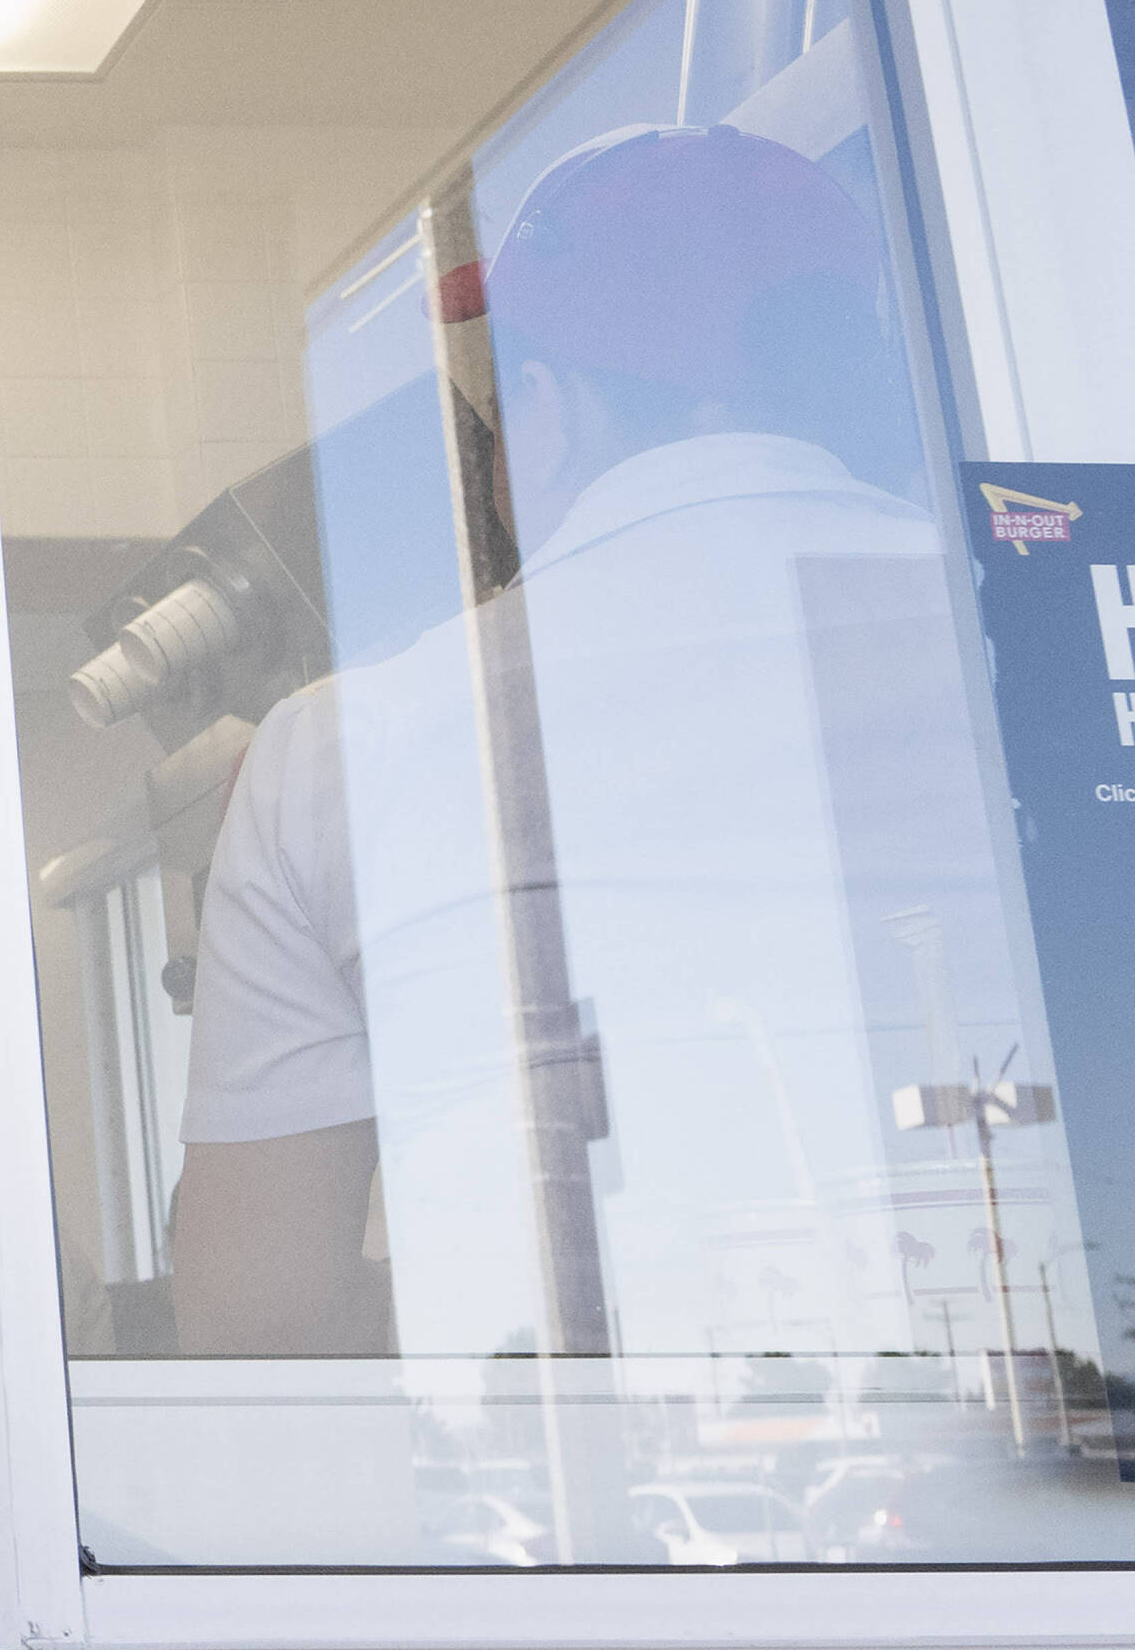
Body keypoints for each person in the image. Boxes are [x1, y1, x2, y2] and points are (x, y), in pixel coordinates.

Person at [169, 125, 1015, 1396]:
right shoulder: (1036, 647)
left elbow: (254, 1321)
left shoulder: (352, 744)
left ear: (548, 420)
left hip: (585, 1529)